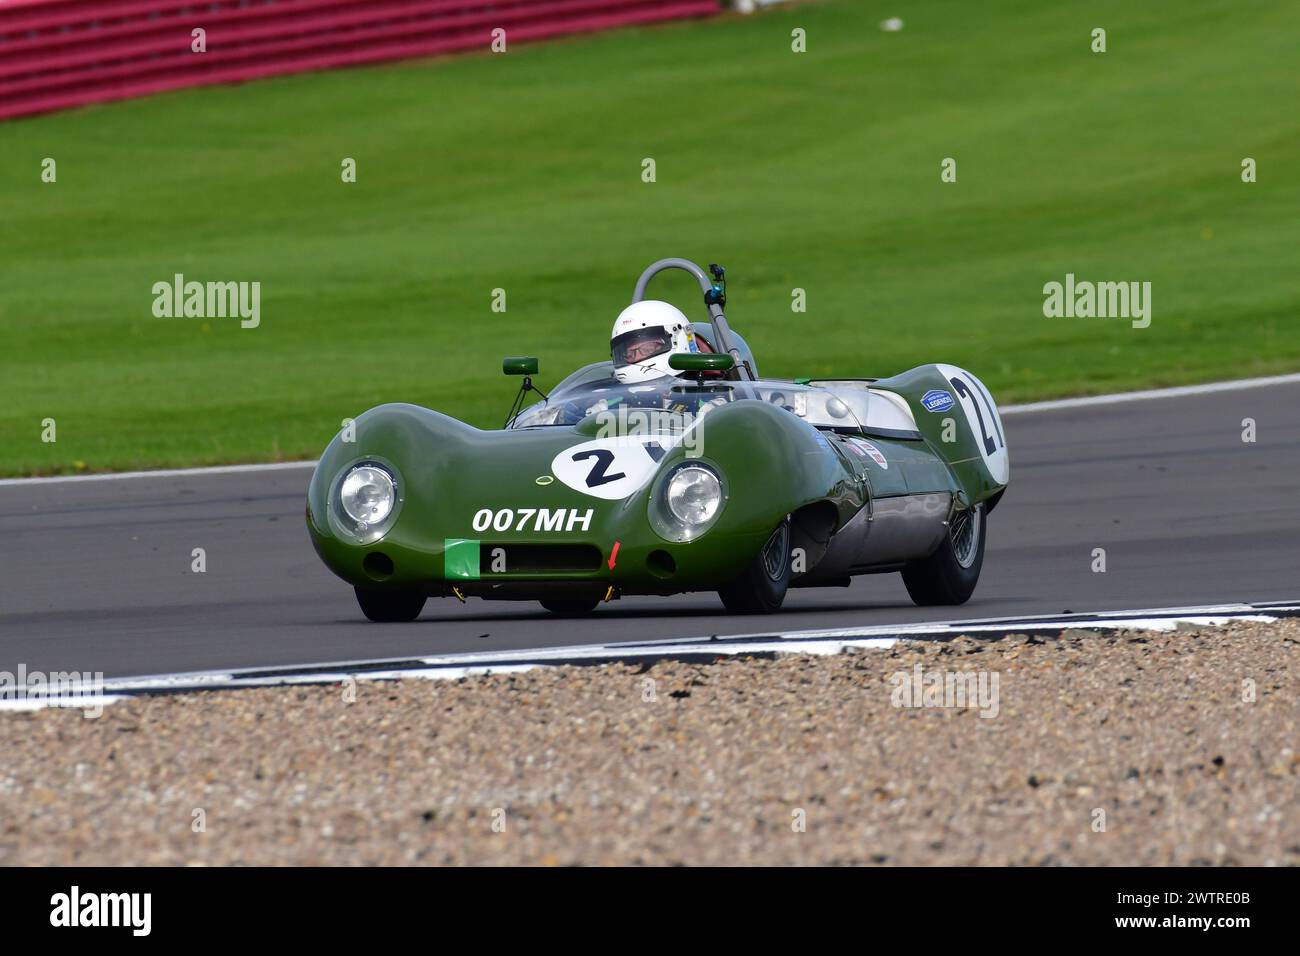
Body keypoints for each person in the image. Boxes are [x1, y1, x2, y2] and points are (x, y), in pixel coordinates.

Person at [609, 300, 705, 384]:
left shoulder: (710, 401)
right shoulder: (607, 403)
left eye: (647, 349)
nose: (637, 358)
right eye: (629, 354)